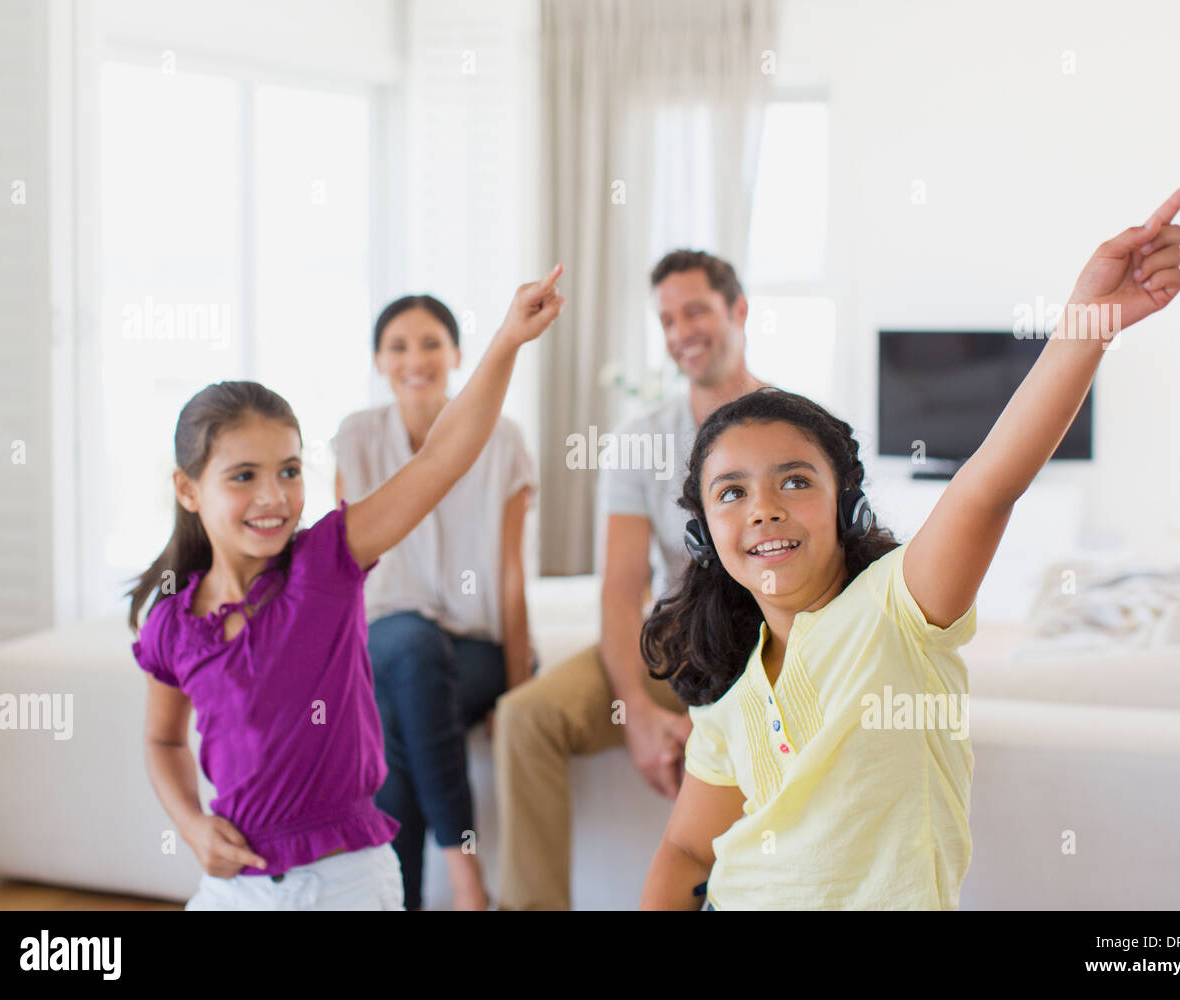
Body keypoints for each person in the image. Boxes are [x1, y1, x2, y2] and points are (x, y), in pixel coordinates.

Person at [639, 187, 1180, 909]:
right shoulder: (730, 680)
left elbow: (987, 486)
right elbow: (686, 849)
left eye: (795, 480)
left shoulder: (900, 607)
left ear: (841, 503)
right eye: (732, 492)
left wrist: (1089, 323)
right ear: (707, 530)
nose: (764, 508)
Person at [127, 266, 564, 910]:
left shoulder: (325, 564)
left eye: (290, 470)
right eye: (243, 476)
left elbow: (441, 459)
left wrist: (504, 341)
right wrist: (191, 825)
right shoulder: (171, 623)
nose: (274, 496)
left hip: (347, 882)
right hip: (234, 886)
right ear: (189, 490)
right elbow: (163, 739)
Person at [494, 250, 769, 909]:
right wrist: (637, 711)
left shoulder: (791, 427)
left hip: (765, 654)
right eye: (667, 320)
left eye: (695, 311)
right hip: (676, 650)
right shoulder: (640, 438)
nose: (681, 333)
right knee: (524, 719)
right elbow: (621, 590)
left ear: (738, 309)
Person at [333, 294, 536, 911]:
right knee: (409, 650)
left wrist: (516, 688)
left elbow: (509, 573)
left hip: (474, 645)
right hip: (391, 632)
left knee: (397, 717)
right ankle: (468, 881)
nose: (415, 359)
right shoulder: (357, 437)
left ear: (456, 355)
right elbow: (345, 566)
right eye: (398, 346)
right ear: (378, 359)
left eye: (430, 344)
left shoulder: (502, 440)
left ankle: (400, 901)